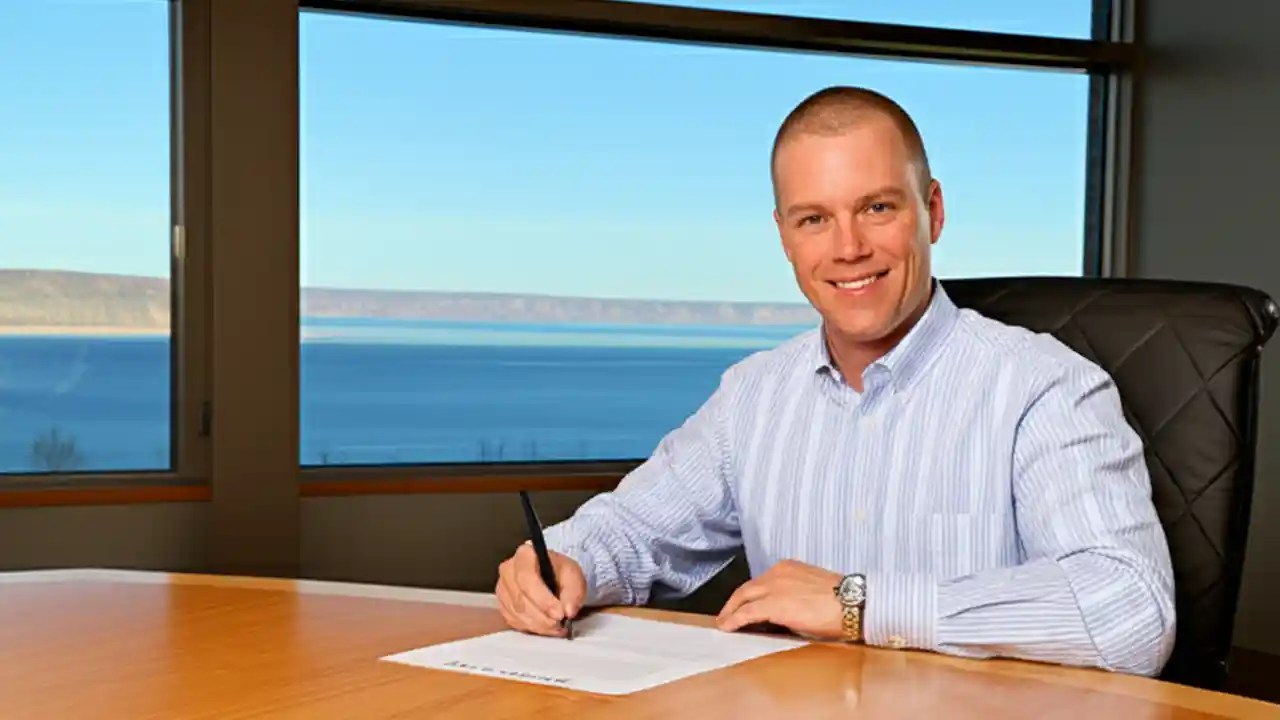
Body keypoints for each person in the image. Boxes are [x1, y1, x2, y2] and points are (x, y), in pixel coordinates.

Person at [494, 86, 1176, 677]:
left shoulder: (1044, 389)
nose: (847, 247)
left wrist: (859, 604)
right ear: (785, 237)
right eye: (814, 219)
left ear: (932, 211)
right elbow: (634, 529)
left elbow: (1131, 612)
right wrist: (564, 561)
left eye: (877, 208)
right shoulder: (753, 396)